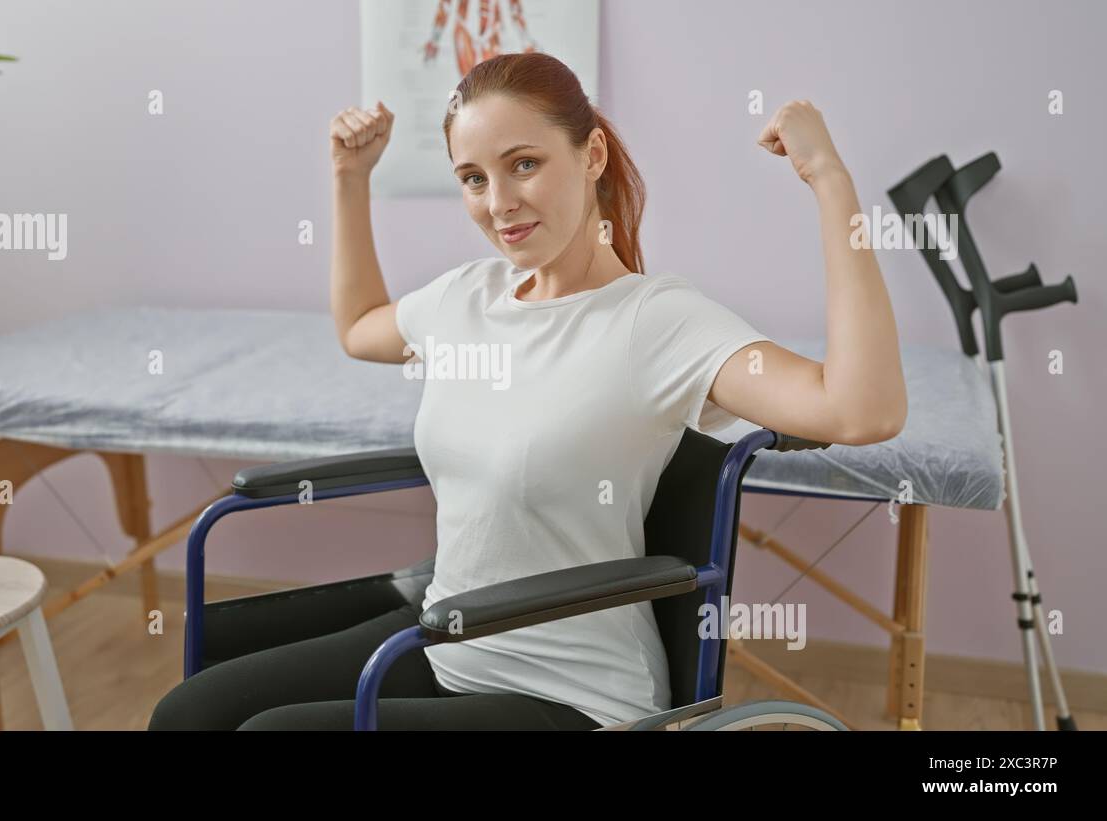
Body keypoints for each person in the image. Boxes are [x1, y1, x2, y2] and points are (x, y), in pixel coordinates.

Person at [149, 51, 906, 731]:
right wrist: (350, 180)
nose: (499, 201)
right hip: (451, 641)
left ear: (592, 155)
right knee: (190, 713)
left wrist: (830, 180)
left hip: (569, 694)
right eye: (474, 179)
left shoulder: (656, 321)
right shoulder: (466, 298)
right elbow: (358, 327)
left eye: (523, 164)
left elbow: (861, 410)